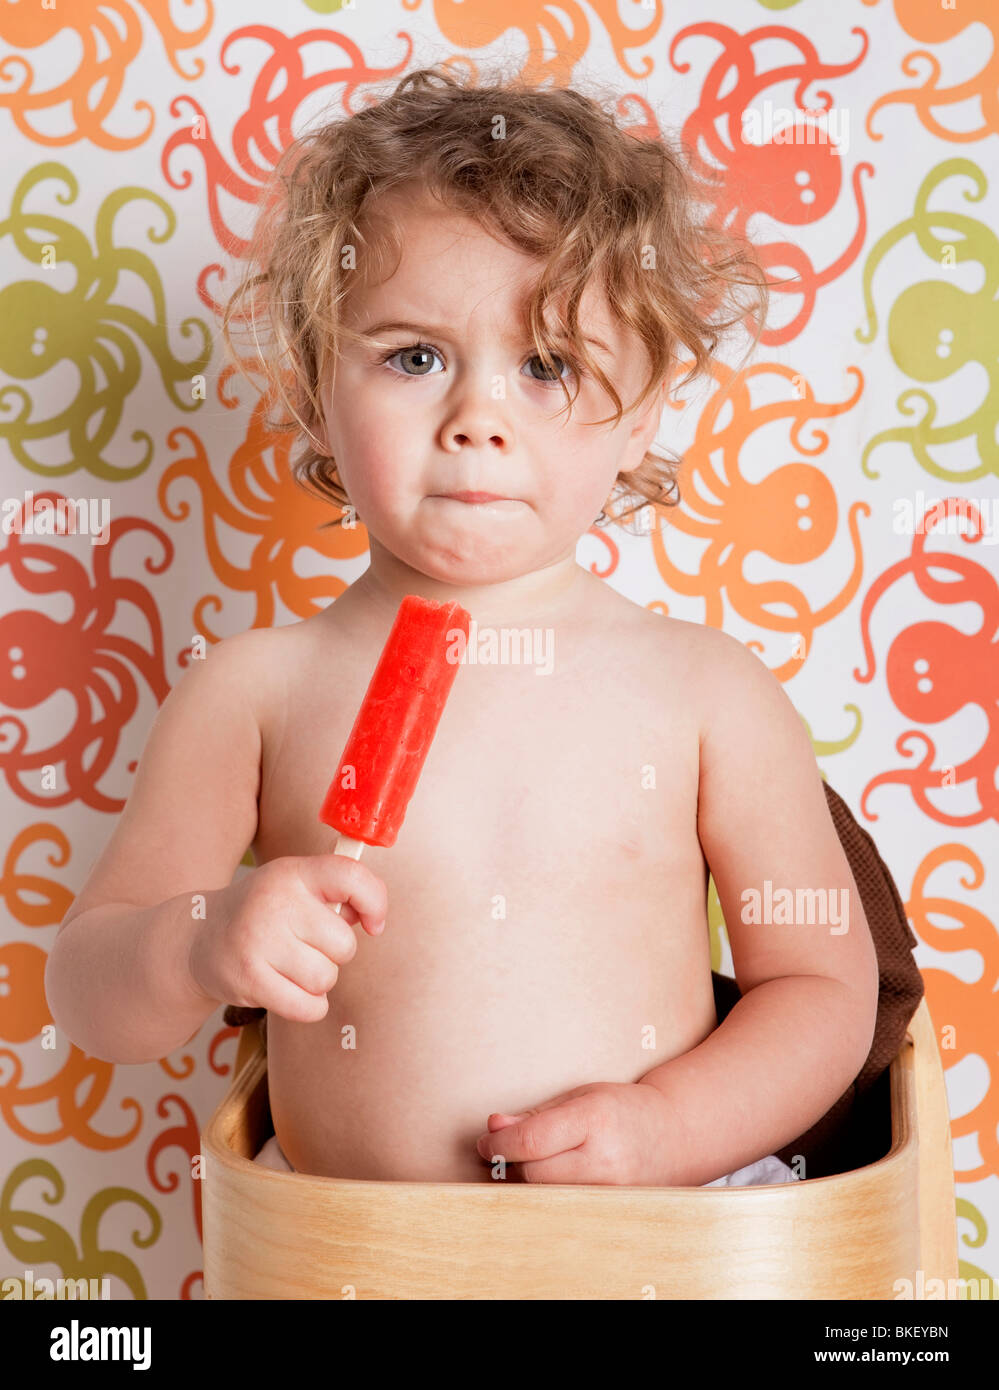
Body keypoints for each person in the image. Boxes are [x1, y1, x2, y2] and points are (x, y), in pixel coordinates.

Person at [45, 65, 878, 1188]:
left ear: (642, 415)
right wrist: (199, 935)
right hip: (354, 1257)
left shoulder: (706, 693)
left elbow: (823, 990)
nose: (477, 418)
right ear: (314, 395)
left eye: (548, 366)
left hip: (648, 1241)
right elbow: (93, 999)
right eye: (414, 356)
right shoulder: (254, 690)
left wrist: (668, 1127)